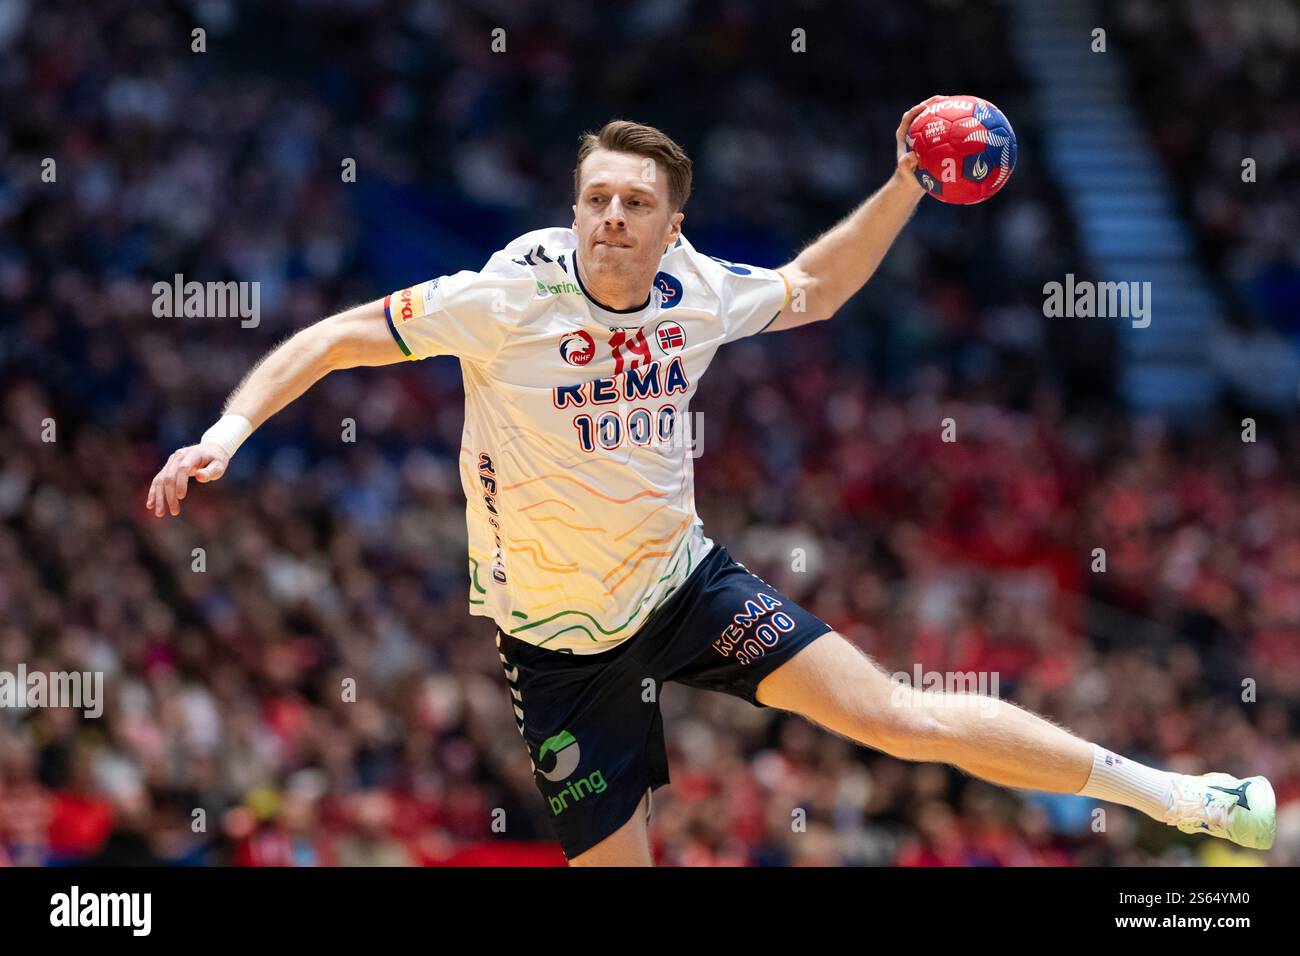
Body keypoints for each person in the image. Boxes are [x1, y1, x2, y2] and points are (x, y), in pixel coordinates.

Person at [147, 98, 1276, 865]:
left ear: (670, 224)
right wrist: (228, 430)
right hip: (553, 641)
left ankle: (1185, 798)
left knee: (892, 713)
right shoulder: (504, 298)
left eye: (634, 203)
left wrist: (905, 184)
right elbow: (336, 338)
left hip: (685, 586)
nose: (610, 217)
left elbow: (812, 289)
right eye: (595, 198)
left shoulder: (696, 290)